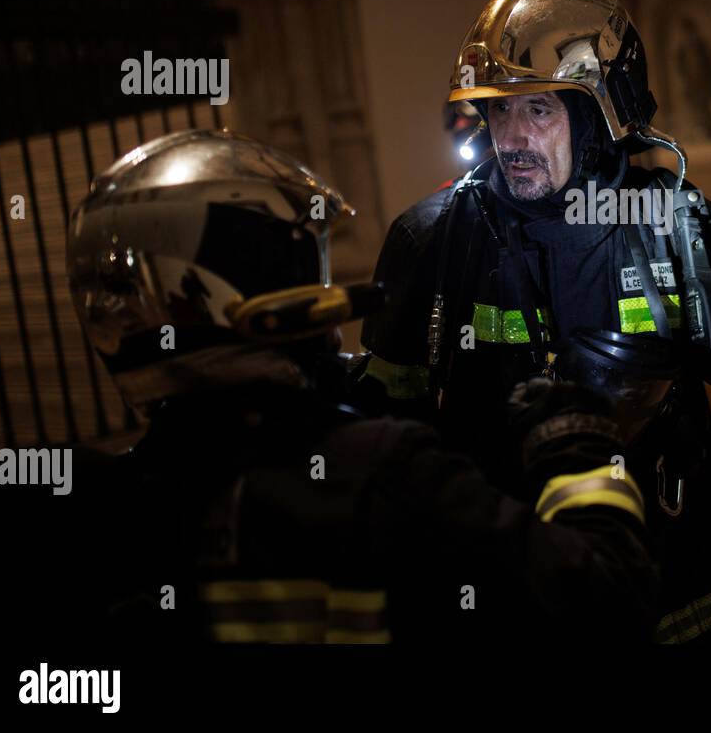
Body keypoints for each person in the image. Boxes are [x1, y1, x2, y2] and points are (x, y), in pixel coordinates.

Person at [46, 129, 656, 643]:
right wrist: (578, 451)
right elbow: (608, 600)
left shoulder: (100, 509)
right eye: (298, 265)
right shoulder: (384, 472)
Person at [352, 0, 711, 643]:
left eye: (538, 109)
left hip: (680, 593)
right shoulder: (434, 241)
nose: (510, 136)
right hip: (509, 599)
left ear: (602, 114)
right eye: (498, 110)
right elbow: (388, 430)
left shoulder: (680, 226)